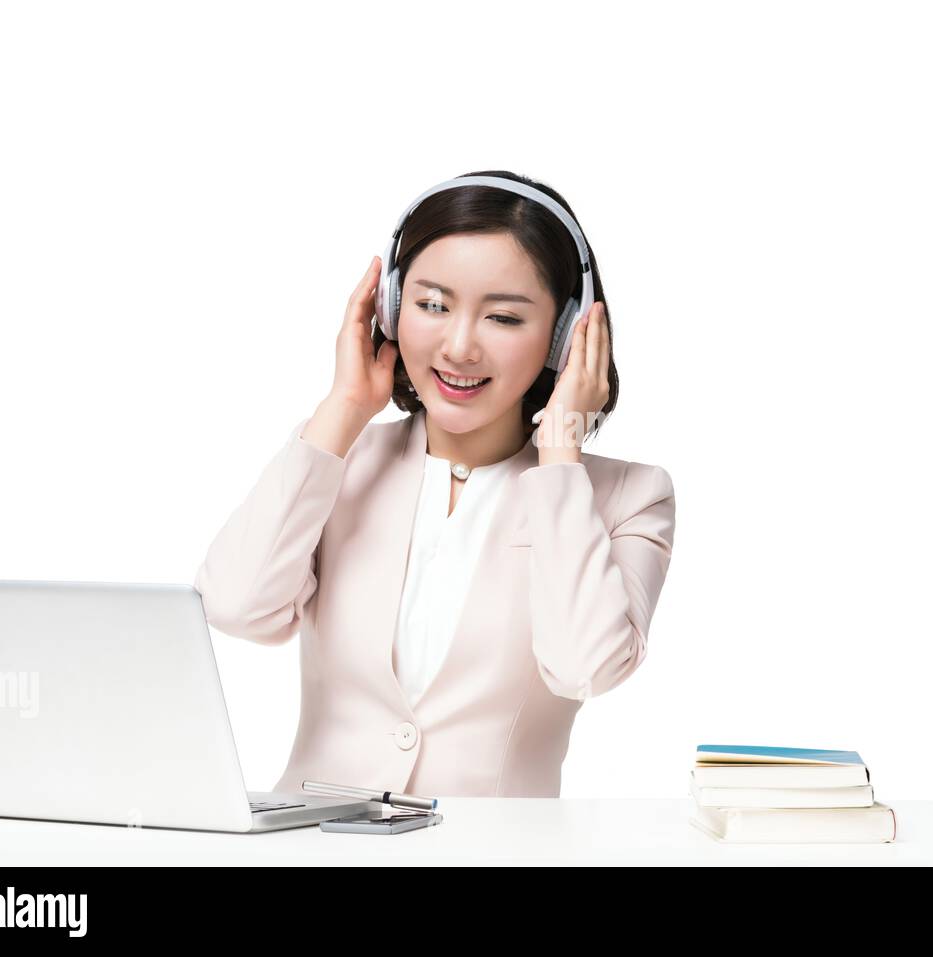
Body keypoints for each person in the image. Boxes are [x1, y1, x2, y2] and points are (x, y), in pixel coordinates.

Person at [193, 170, 676, 798]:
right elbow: (235, 607)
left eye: (503, 317)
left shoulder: (629, 499)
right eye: (431, 305)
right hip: (312, 848)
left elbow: (583, 667)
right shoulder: (336, 460)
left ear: (565, 336)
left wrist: (562, 454)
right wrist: (343, 407)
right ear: (392, 309)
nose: (458, 346)